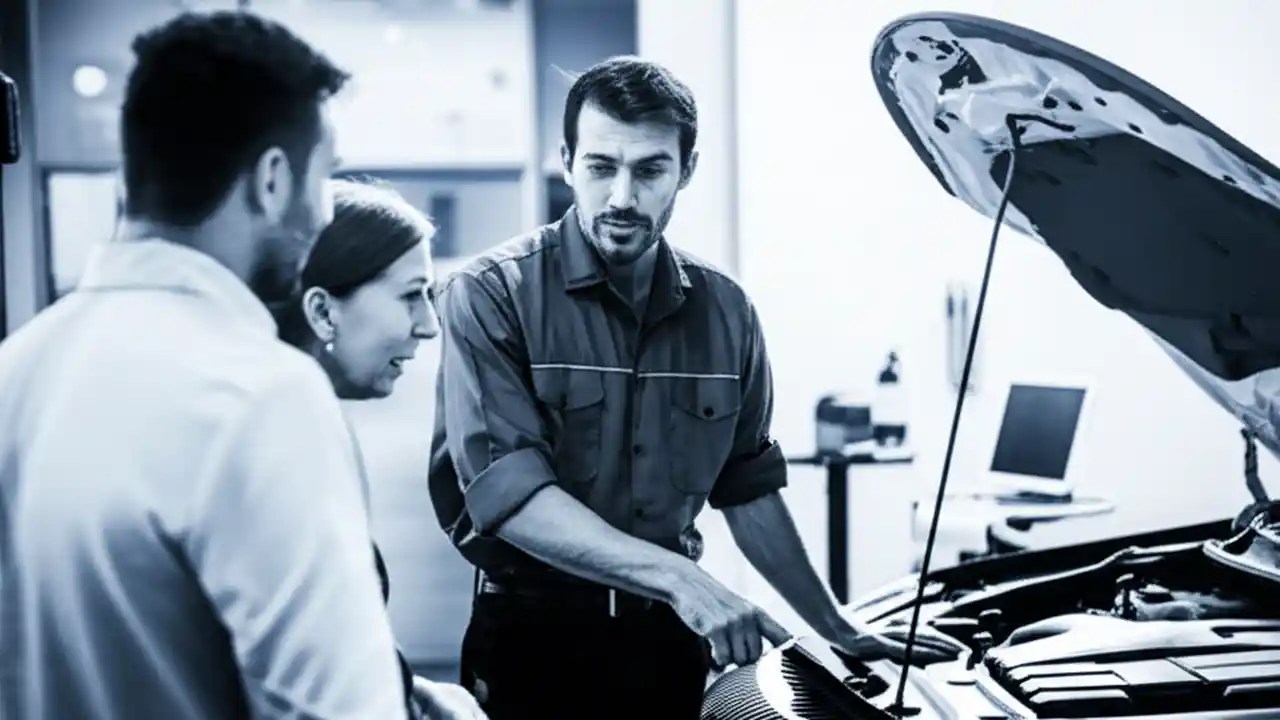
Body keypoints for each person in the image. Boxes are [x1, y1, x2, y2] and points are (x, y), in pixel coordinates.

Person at [428, 56, 957, 718]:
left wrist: (837, 625)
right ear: (566, 160)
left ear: (687, 170)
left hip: (666, 645)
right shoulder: (489, 293)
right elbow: (509, 498)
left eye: (650, 169)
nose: (622, 197)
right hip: (532, 640)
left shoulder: (726, 310)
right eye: (600, 166)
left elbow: (747, 487)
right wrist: (683, 578)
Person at [0, 12, 411, 719]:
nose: (324, 213)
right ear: (274, 180)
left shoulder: (15, 368)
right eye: (328, 174)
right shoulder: (261, 394)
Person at [274, 178, 485, 720]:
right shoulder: (278, 446)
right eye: (411, 295)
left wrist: (410, 689)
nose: (429, 326)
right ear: (323, 313)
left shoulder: (309, 422)